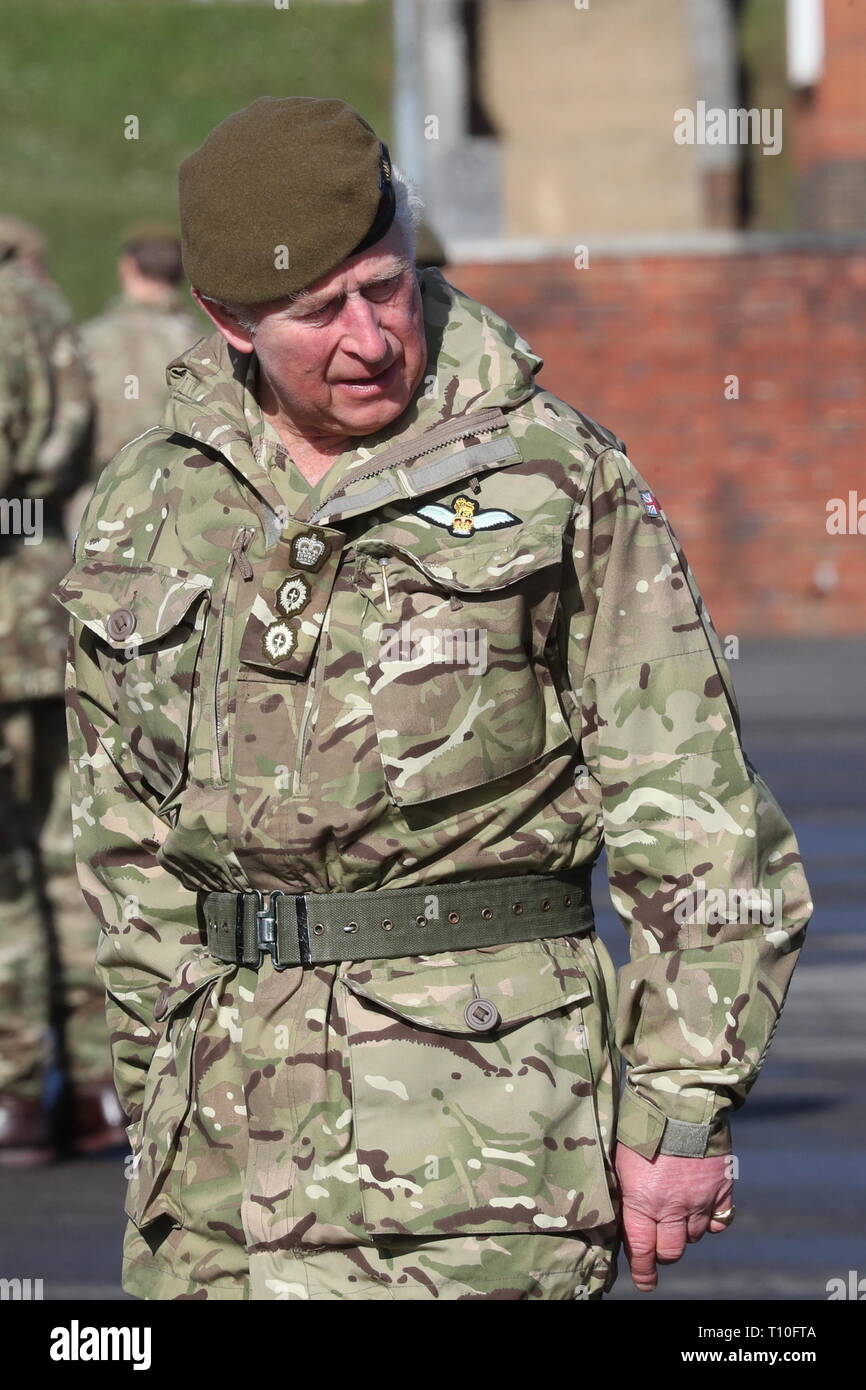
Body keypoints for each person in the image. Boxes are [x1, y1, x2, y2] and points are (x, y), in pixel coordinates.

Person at [56, 97, 812, 1301]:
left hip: (476, 1152)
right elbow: (122, 827)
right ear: (227, 322)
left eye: (387, 285)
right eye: (318, 314)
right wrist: (155, 1078)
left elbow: (694, 805)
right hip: (216, 1165)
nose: (369, 338)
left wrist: (679, 1106)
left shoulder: (551, 474)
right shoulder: (150, 500)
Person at [0, 221, 121, 1163]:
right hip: (46, 585)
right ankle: (99, 1086)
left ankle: (14, 1094)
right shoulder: (41, 301)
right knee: (67, 852)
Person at [74, 228, 199, 533]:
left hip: (99, 494)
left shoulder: (86, 341)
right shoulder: (204, 346)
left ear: (128, 267)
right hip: (182, 499)